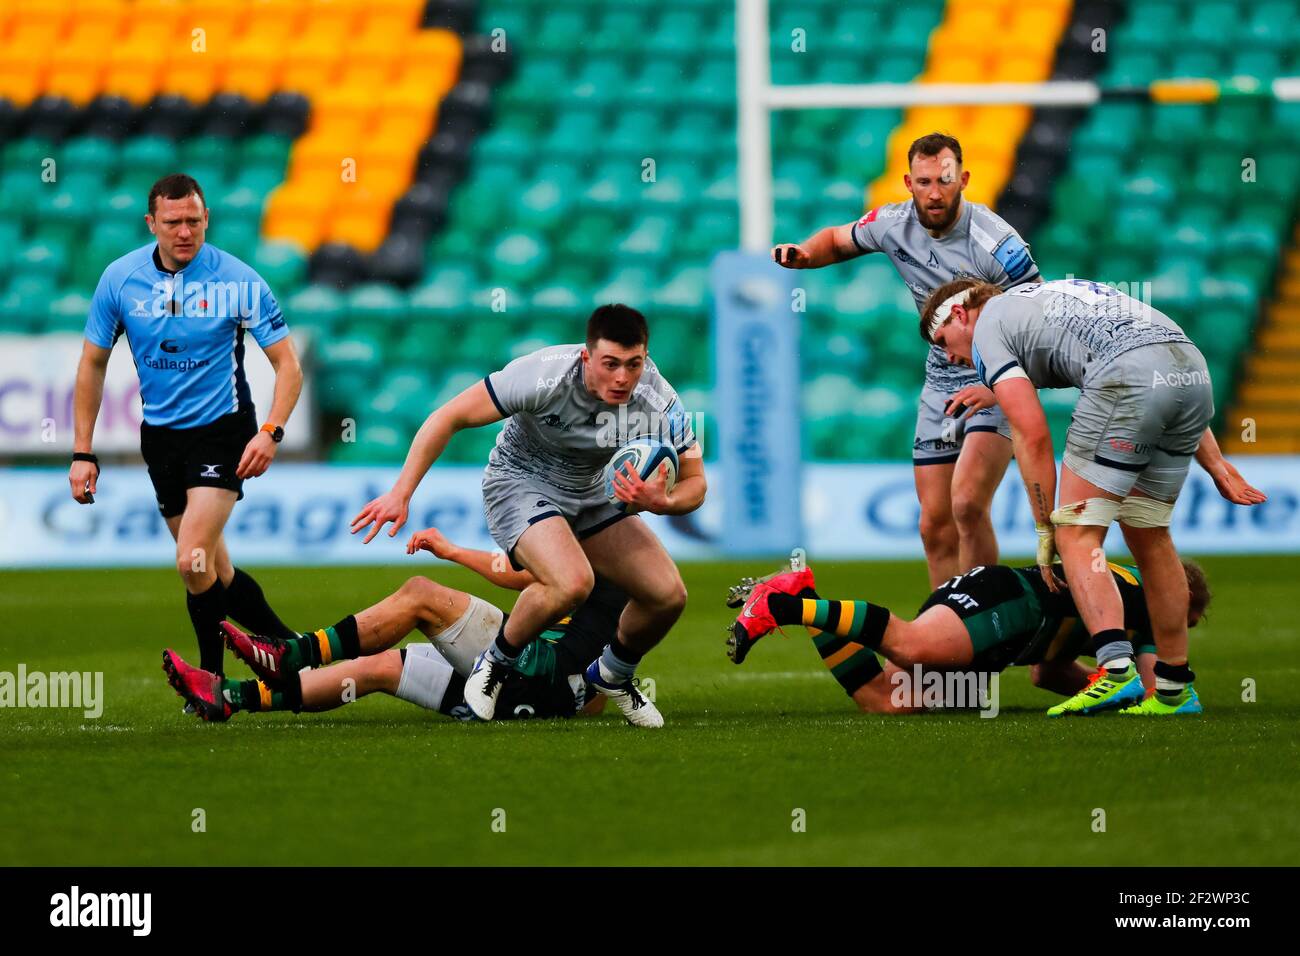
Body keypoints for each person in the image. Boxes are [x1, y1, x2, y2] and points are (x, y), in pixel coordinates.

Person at [922, 277, 1266, 715]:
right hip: (1190, 371)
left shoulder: (989, 328)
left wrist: (1046, 525)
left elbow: (1031, 434)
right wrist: (1216, 463)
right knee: (1150, 535)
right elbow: (1157, 360)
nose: (949, 356)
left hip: (1129, 378)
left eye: (943, 341)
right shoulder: (1048, 297)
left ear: (959, 314)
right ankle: (1175, 689)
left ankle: (1115, 670)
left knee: (1077, 533)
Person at [349, 305, 706, 727]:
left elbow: (696, 482)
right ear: (586, 357)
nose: (623, 378)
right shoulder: (544, 375)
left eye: (634, 364)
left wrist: (664, 502)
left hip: (590, 493)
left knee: (667, 595)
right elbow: (448, 417)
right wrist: (401, 493)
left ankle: (612, 674)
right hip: (519, 482)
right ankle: (495, 665)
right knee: (572, 582)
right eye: (611, 364)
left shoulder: (658, 399)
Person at [771, 132, 1040, 587]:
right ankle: (949, 626)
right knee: (934, 525)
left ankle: (989, 622)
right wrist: (805, 255)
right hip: (940, 383)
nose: (935, 192)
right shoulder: (892, 223)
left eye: (945, 180)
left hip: (996, 381)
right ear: (908, 182)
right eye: (924, 181)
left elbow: (1038, 320)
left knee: (967, 504)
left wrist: (997, 386)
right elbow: (837, 240)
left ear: (964, 180)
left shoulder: (997, 243)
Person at [72, 173, 303, 686]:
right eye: (173, 222)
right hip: (161, 439)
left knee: (190, 559)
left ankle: (212, 682)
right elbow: (92, 364)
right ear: (151, 223)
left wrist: (271, 431)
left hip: (224, 431)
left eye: (194, 221)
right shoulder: (119, 280)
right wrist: (82, 452)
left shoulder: (239, 281)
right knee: (214, 571)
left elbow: (289, 365)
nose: (184, 231)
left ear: (207, 220)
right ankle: (294, 653)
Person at [162, 527, 624, 724]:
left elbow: (629, 637)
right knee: (376, 668)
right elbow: (527, 575)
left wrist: (586, 695)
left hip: (536, 675)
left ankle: (294, 653)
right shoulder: (593, 539)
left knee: (422, 595)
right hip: (527, 684)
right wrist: (453, 551)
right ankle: (229, 699)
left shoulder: (614, 552)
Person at [728, 557, 1213, 716]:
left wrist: (1098, 690)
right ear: (1177, 599)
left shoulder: (1123, 589)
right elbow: (1160, 693)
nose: (1177, 637)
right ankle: (779, 606)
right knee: (912, 642)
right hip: (1009, 604)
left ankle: (805, 599)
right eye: (1184, 625)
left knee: (886, 699)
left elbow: (1049, 672)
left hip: (1005, 620)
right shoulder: (1151, 605)